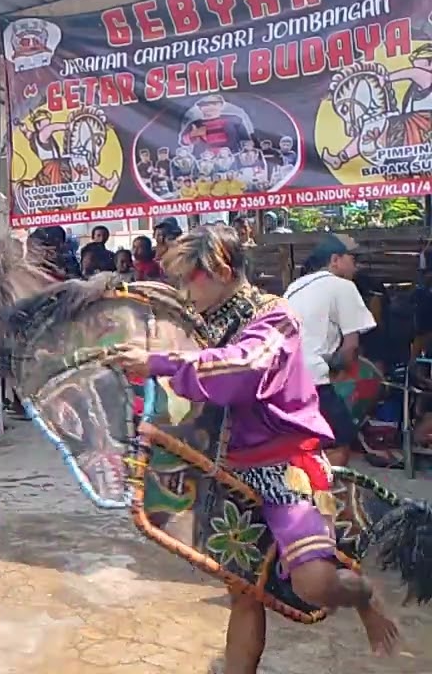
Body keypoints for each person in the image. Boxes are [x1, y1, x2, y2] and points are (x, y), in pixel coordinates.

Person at [109, 225, 399, 672]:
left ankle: (359, 592)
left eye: (190, 279)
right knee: (243, 593)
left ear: (220, 270)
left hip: (283, 466)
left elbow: (242, 370)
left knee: (315, 584)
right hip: (226, 470)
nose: (184, 292)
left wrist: (161, 362)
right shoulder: (204, 321)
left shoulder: (274, 317)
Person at [283, 234, 375, 468]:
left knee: (300, 445)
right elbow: (350, 346)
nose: (357, 265)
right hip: (314, 379)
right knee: (340, 443)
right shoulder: (342, 286)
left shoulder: (296, 286)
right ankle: (327, 498)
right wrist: (339, 371)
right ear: (335, 260)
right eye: (353, 259)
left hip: (282, 379)